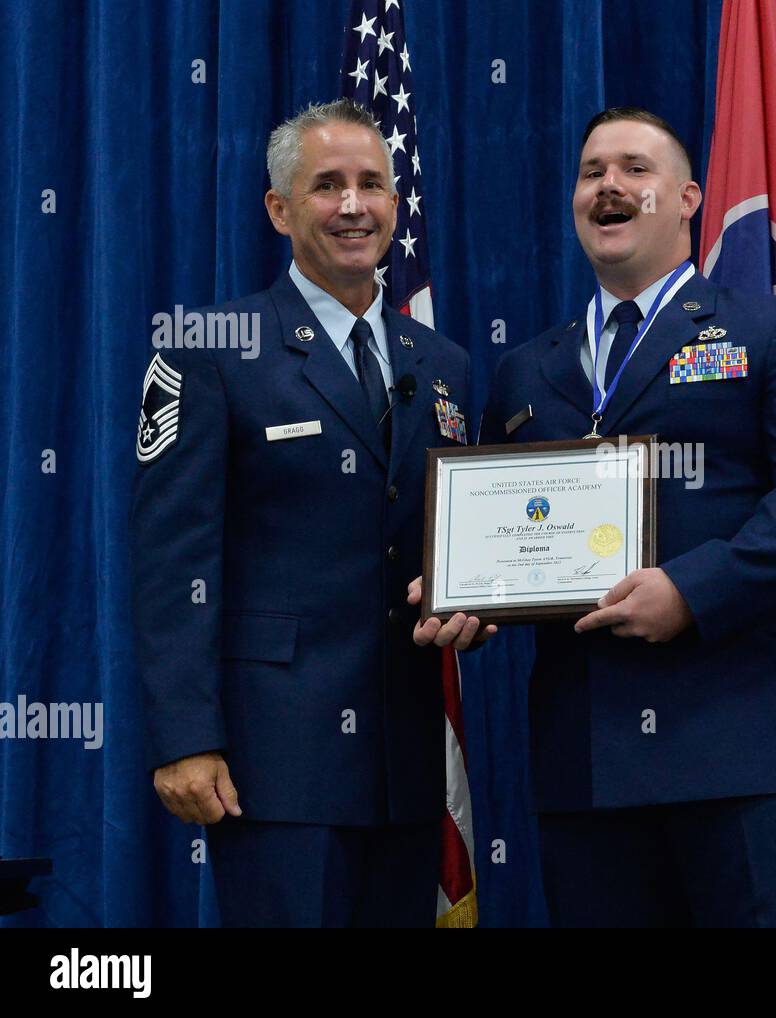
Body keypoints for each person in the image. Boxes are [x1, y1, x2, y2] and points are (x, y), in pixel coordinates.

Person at [412, 107, 776, 927]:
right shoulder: (526, 371)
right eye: (592, 173)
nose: (609, 187)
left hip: (740, 759)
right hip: (586, 770)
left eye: (634, 169)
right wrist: (467, 597)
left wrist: (693, 590)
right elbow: (503, 540)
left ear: (689, 198)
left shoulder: (774, 328)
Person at [130, 99, 491, 927]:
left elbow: (454, 536)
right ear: (280, 209)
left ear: (397, 207)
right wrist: (186, 736)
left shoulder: (443, 362)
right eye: (327, 186)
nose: (354, 206)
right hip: (273, 761)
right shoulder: (212, 347)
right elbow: (170, 560)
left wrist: (478, 593)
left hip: (404, 761)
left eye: (372, 185)